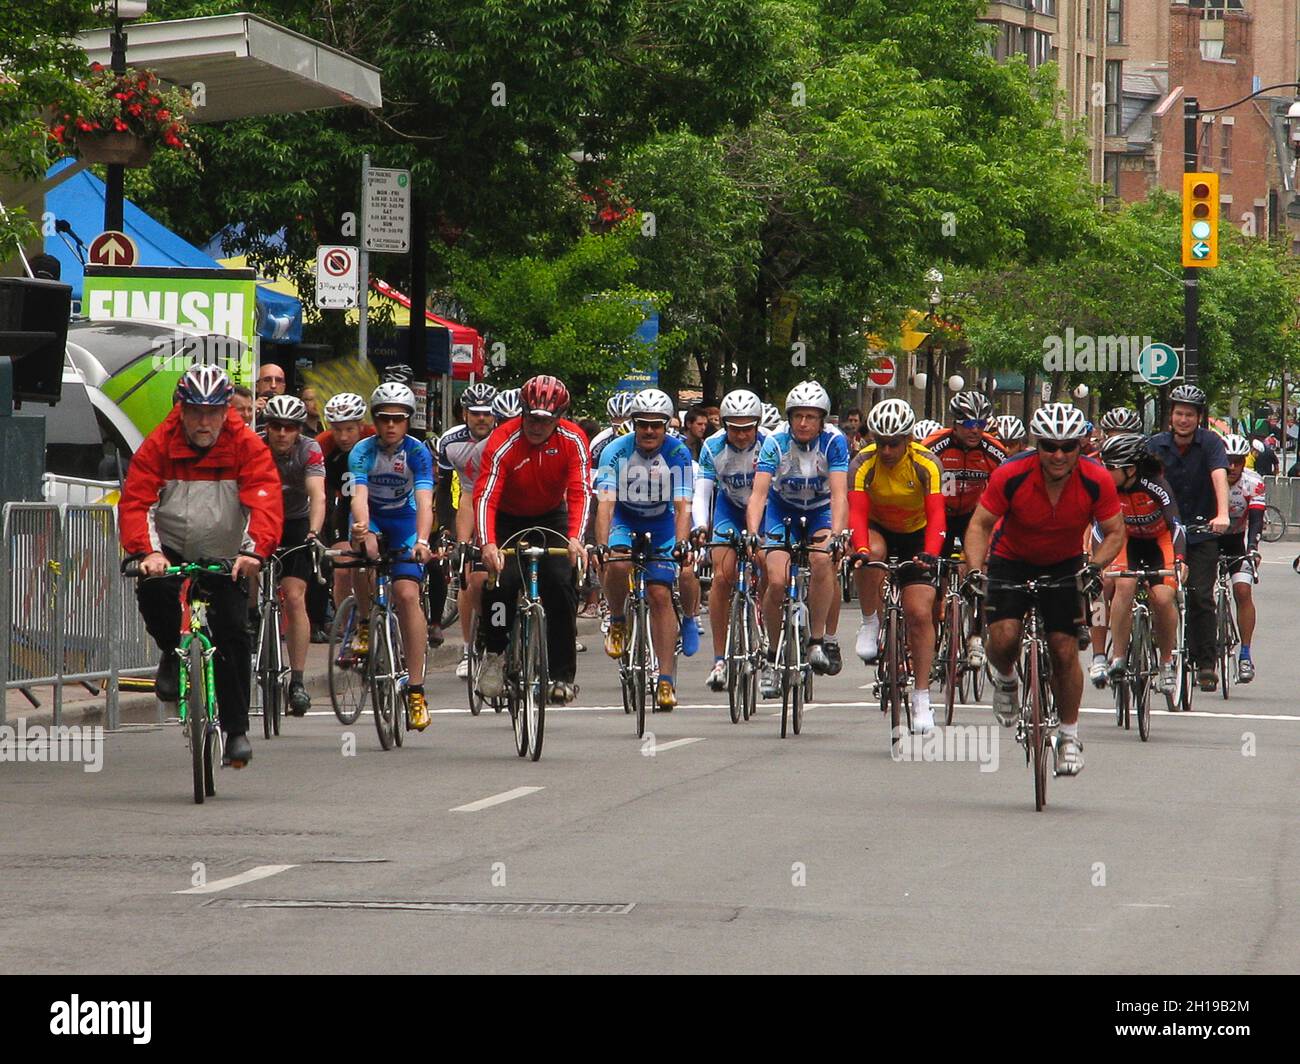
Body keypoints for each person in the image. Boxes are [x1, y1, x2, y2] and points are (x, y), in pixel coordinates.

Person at [119, 364, 283, 769]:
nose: (204, 422)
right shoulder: (159, 443)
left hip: (225, 553)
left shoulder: (246, 445)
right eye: (195, 411)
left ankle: (237, 731)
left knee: (232, 632)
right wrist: (147, 553)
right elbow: (137, 501)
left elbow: (264, 498)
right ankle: (172, 653)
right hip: (171, 547)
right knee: (154, 591)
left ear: (228, 410)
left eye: (214, 412)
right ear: (181, 409)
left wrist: (253, 552)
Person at [963, 403, 1125, 777]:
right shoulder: (1011, 474)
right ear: (1037, 445)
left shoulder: (1096, 478)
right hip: (1011, 559)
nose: (1058, 455)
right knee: (1003, 638)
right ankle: (1005, 678)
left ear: (1080, 447)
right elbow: (980, 525)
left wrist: (1095, 566)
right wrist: (974, 569)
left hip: (1065, 564)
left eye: (1068, 447)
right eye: (1049, 445)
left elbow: (1115, 531)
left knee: (1064, 649)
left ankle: (1069, 736)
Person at [475, 375, 590, 704]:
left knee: (559, 581)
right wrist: (488, 543)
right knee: (502, 584)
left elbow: (580, 490)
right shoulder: (503, 440)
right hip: (507, 517)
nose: (537, 426)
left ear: (559, 418)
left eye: (546, 420)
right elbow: (485, 496)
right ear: (521, 412)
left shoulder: (573, 439)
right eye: (531, 418)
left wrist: (575, 540)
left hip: (551, 516)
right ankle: (495, 656)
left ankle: (562, 675)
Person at [847, 398, 945, 732]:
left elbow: (937, 517)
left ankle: (921, 699)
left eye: (894, 443)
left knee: (919, 613)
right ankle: (870, 621)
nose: (886, 450)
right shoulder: (863, 462)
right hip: (878, 528)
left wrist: (931, 552)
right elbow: (857, 513)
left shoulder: (926, 464)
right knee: (868, 552)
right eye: (880, 442)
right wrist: (859, 548)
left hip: (917, 534)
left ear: (908, 439)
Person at [746, 381, 848, 696]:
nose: (803, 423)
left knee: (821, 560)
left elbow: (839, 493)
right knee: (775, 580)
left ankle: (817, 640)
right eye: (798, 416)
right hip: (782, 511)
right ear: (789, 418)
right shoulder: (775, 442)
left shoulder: (835, 442)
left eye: (811, 417)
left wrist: (838, 533)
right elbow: (759, 494)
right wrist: (752, 532)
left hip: (819, 512)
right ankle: (773, 655)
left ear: (822, 420)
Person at [597, 387, 695, 710]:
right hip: (625, 518)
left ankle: (665, 680)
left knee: (659, 594)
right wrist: (601, 545)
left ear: (667, 426)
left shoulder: (678, 453)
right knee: (618, 563)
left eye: (657, 424)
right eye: (643, 424)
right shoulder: (615, 451)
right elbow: (606, 506)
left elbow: (682, 507)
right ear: (634, 423)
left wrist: (681, 544)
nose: (649, 430)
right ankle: (617, 619)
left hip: (661, 524)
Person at [348, 382, 436, 730]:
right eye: (384, 419)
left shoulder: (417, 452)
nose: (390, 426)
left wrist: (424, 540)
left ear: (408, 421)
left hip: (404, 521)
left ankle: (415, 690)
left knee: (406, 594)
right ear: (375, 419)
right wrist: (363, 527)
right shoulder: (362, 451)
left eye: (398, 420)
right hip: (371, 515)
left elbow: (425, 501)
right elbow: (358, 494)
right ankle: (366, 622)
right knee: (362, 551)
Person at [1147, 384, 1230, 691]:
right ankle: (1160, 657)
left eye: (1189, 415)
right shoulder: (1155, 444)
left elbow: (1219, 476)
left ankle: (1206, 663)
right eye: (1179, 413)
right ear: (1171, 415)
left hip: (1201, 532)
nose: (1183, 419)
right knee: (1157, 595)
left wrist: (1222, 514)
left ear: (1199, 418)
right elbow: (1142, 482)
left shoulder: (1210, 443)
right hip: (1164, 532)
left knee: (1200, 596)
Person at [1092, 432, 1184, 694]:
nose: (1105, 472)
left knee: (1164, 598)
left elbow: (1176, 524)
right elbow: (1099, 529)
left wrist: (1179, 560)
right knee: (1122, 585)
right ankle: (1118, 658)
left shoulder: (1155, 485)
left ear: (1131, 469)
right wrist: (1097, 564)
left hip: (1159, 541)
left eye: (1111, 467)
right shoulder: (1107, 488)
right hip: (1126, 540)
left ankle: (1166, 662)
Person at [693, 389, 768, 690]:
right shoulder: (712, 446)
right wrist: (700, 526)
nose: (741, 435)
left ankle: (763, 611)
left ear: (758, 425)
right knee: (722, 576)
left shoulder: (770, 445)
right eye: (734, 428)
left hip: (764, 510)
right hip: (729, 509)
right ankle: (719, 659)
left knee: (766, 560)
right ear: (724, 426)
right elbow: (702, 493)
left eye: (748, 428)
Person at [258, 394, 326, 714]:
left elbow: (318, 495)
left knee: (294, 596)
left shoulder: (309, 449)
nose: (282, 433)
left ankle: (296, 680)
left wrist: (313, 532)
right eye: (276, 426)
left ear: (299, 429)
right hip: (259, 520)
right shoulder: (254, 447)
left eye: (290, 427)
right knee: (241, 576)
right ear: (266, 427)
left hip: (297, 523)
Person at [435, 382, 498, 679]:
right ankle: (468, 648)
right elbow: (445, 489)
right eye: (476, 413)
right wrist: (446, 530)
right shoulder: (449, 442)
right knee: (466, 575)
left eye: (487, 413)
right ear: (464, 414)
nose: (482, 419)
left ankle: (498, 630)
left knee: (491, 576)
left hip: (499, 501)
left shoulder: (504, 439)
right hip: (469, 504)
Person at [317, 392, 374, 622]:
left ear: (361, 425)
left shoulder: (373, 438)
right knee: (342, 569)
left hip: (376, 506)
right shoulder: (323, 444)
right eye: (337, 429)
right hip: (344, 506)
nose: (343, 436)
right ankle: (347, 627)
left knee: (370, 562)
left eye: (349, 429)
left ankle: (376, 610)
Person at [1221, 433, 1266, 682]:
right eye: (1228, 460)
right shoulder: (1208, 478)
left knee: (1242, 591)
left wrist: (1253, 548)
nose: (1232, 467)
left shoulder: (1253, 482)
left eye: (1237, 461)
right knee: (1198, 593)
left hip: (1237, 542)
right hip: (1209, 540)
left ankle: (1245, 655)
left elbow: (1256, 519)